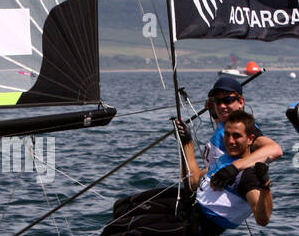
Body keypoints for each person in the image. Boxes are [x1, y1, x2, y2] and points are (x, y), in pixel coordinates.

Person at [26, 111, 273, 236]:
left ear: (251, 139)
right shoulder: (228, 160)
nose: (230, 140)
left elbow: (262, 218)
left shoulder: (248, 175)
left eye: (236, 136)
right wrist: (186, 142)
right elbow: (194, 181)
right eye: (228, 134)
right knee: (121, 218)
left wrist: (265, 186)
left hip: (195, 233)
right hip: (188, 213)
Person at [110, 74, 283, 222]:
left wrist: (233, 168)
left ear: (241, 102)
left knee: (129, 213)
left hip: (207, 208)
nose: (222, 105)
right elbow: (192, 182)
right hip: (198, 192)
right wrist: (186, 141)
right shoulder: (222, 126)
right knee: (121, 206)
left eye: (228, 100)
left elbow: (275, 149)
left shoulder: (243, 134)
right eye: (217, 101)